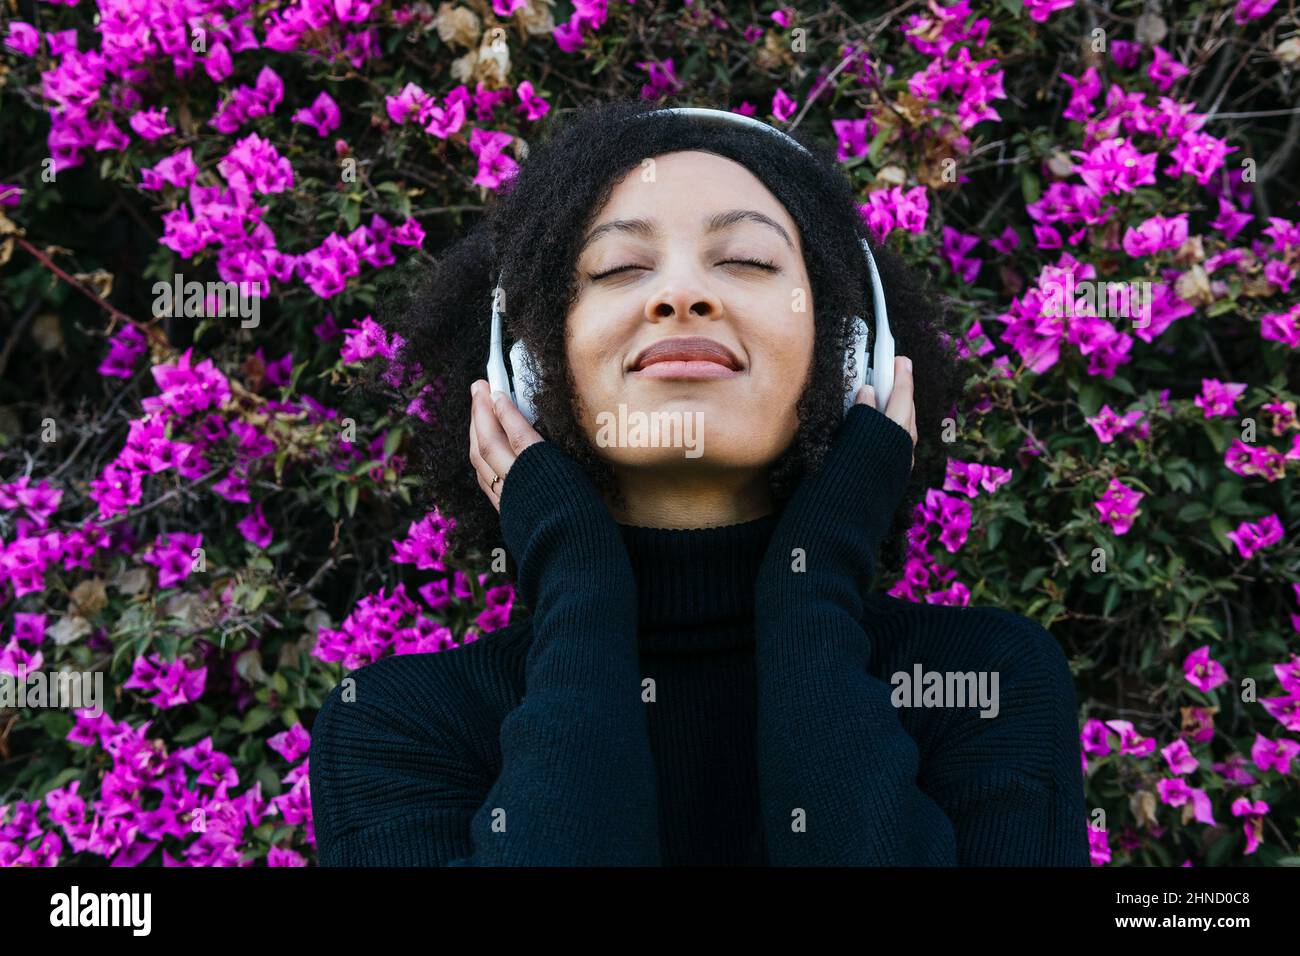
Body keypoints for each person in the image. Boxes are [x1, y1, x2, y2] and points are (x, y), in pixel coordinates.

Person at [308, 98, 1090, 866]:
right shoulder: (400, 726)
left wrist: (812, 577)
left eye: (747, 260)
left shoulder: (979, 683)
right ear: (527, 372)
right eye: (617, 267)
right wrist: (577, 576)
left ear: (855, 352)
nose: (681, 295)